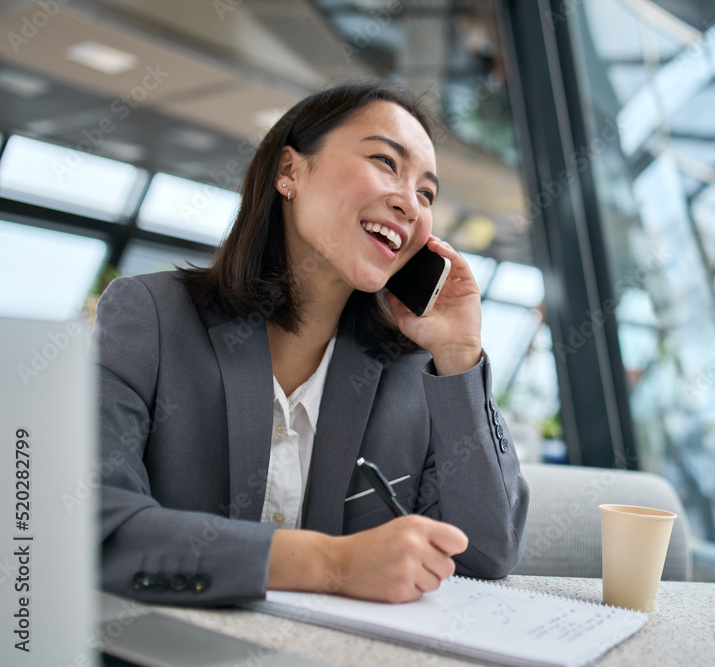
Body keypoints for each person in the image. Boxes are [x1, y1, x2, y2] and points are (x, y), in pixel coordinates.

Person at [93, 81, 529, 607]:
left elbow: (485, 551)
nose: (410, 204)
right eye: (386, 162)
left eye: (426, 193)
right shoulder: (150, 318)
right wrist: (332, 563)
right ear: (289, 171)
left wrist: (459, 354)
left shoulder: (417, 372)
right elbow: (97, 527)